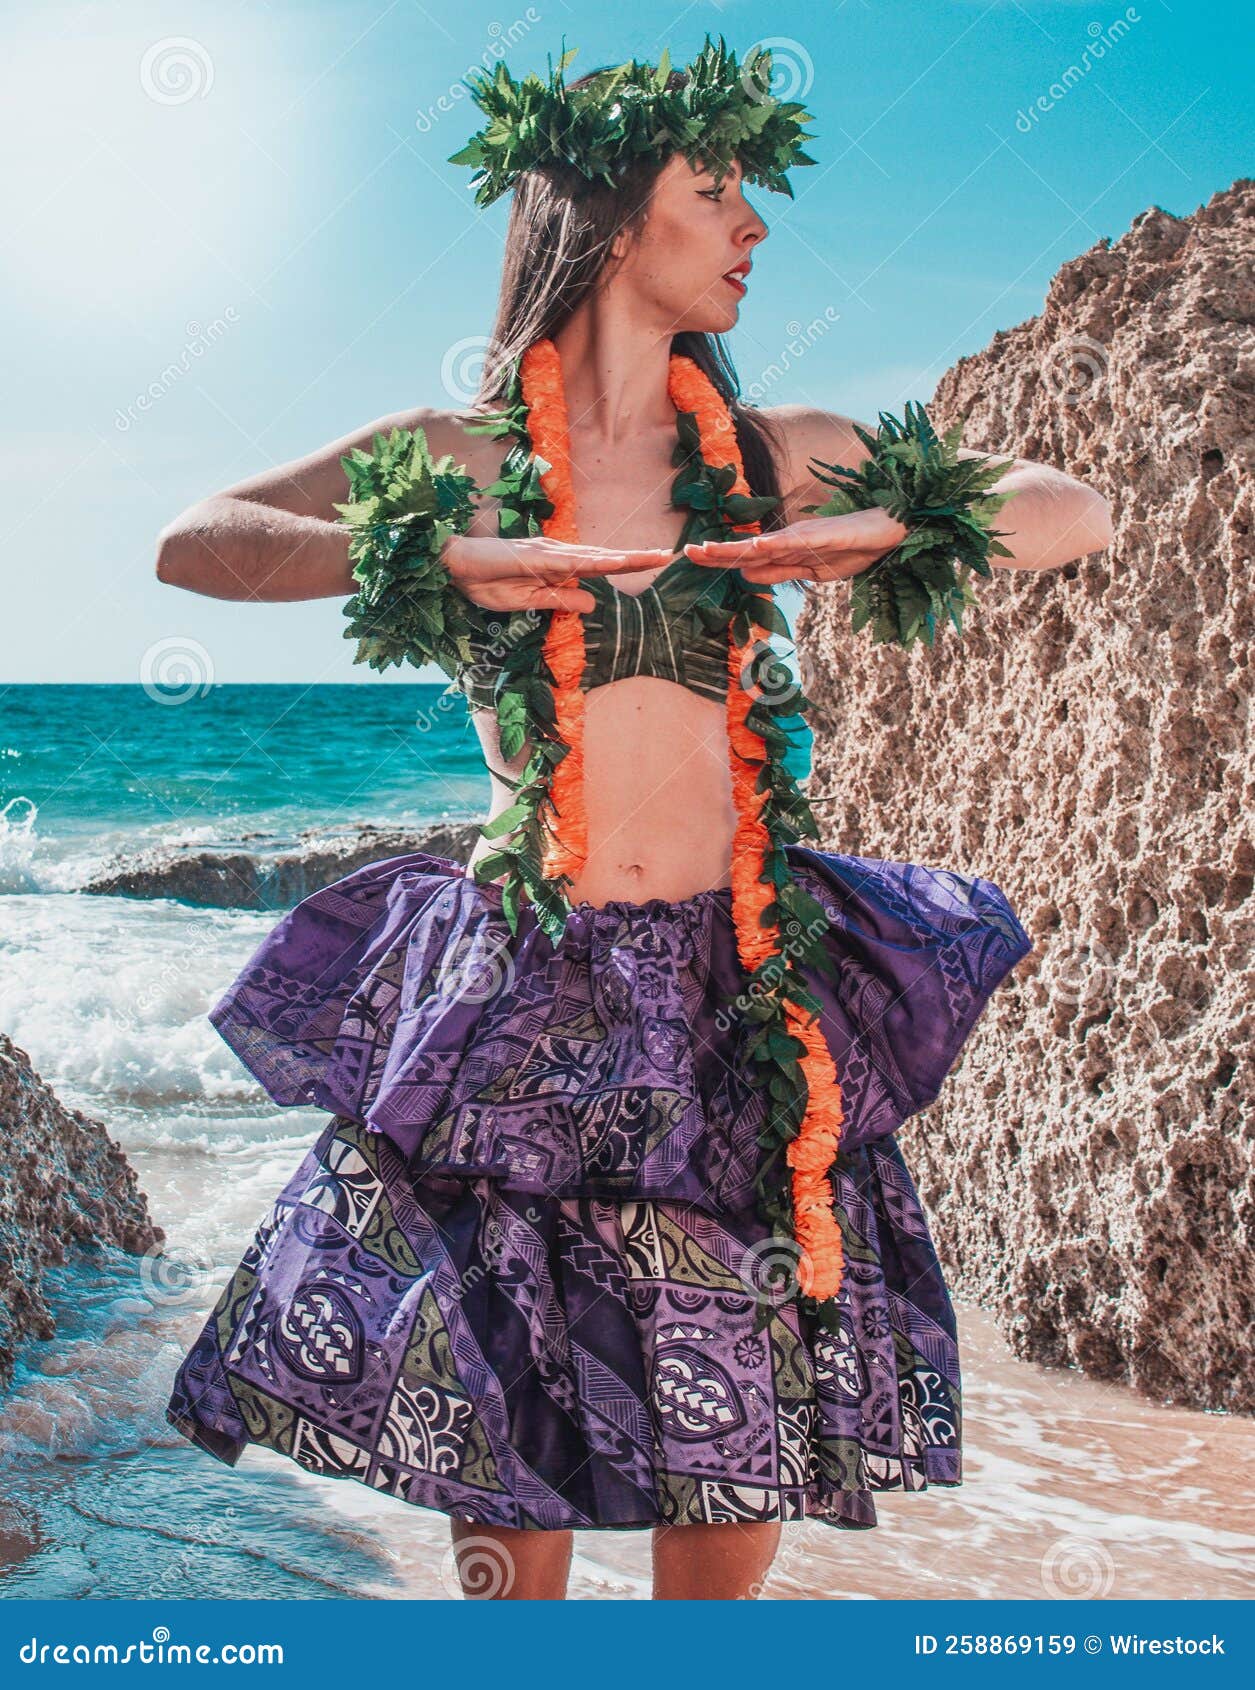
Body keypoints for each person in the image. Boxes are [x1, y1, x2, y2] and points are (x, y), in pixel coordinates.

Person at [155, 41, 1113, 1601]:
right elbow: (197, 542)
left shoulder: (770, 452)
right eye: (717, 189)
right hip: (517, 996)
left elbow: (1076, 510)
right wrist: (435, 559)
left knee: (723, 1469)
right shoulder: (463, 458)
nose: (752, 225)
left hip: (735, 1001)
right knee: (505, 1504)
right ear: (610, 221)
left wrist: (895, 521)